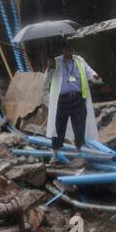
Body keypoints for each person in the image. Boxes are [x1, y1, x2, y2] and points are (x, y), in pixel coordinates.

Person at [44, 37, 101, 167]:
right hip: (62, 100)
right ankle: (55, 153)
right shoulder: (55, 62)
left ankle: (79, 152)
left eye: (70, 47)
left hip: (78, 99)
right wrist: (49, 69)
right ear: (62, 48)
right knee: (58, 127)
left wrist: (95, 76)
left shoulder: (79, 61)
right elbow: (46, 80)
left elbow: (89, 72)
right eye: (65, 47)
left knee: (79, 127)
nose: (68, 50)